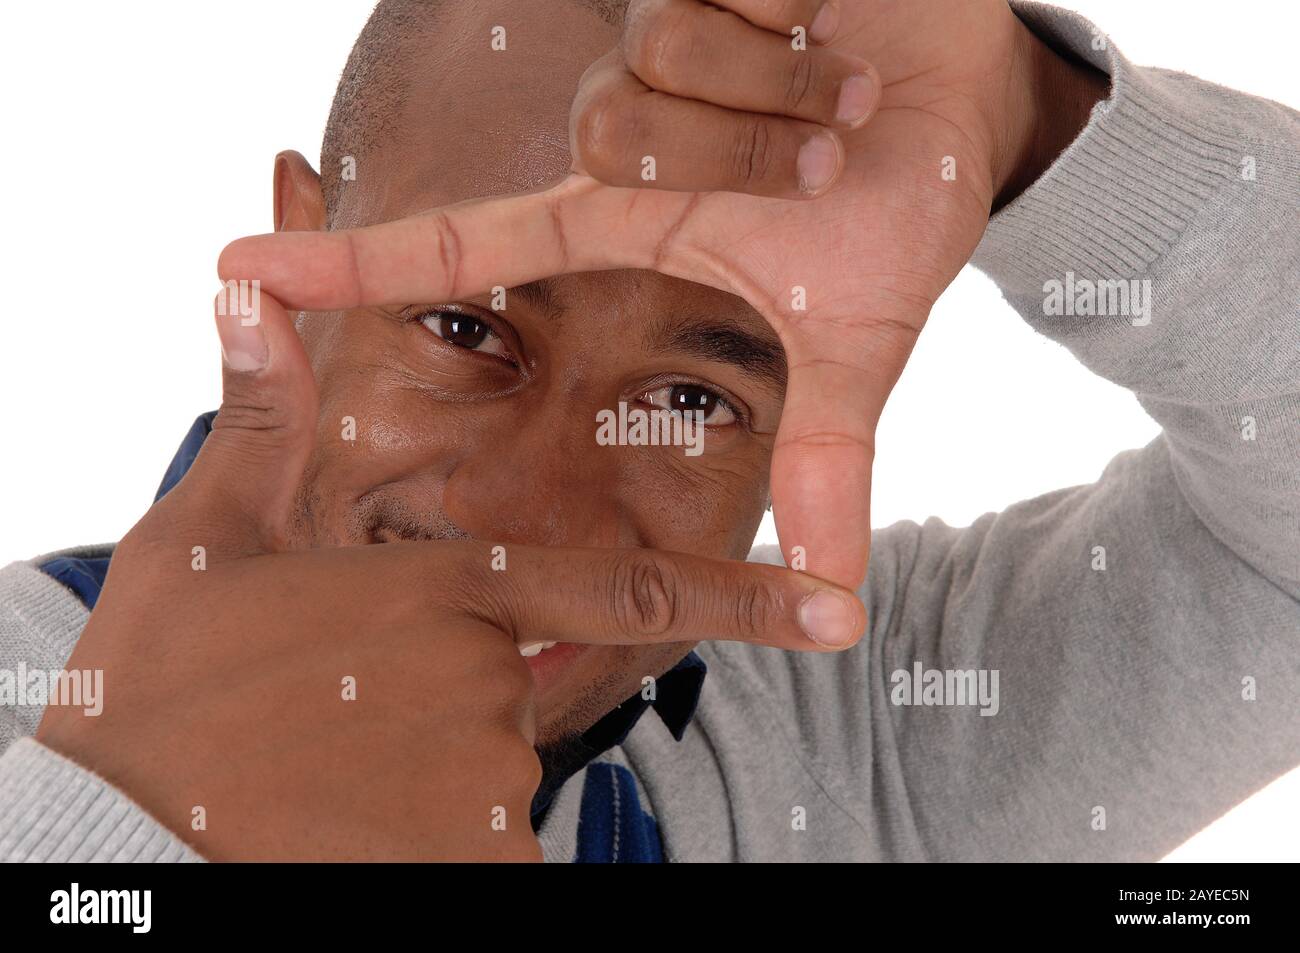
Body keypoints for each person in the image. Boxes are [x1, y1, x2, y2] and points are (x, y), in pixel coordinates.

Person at [1, 0, 1296, 862]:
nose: (539, 509)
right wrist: (128, 834)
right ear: (297, 259)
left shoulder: (849, 742)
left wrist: (1039, 132)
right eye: (466, 330)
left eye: (691, 402)